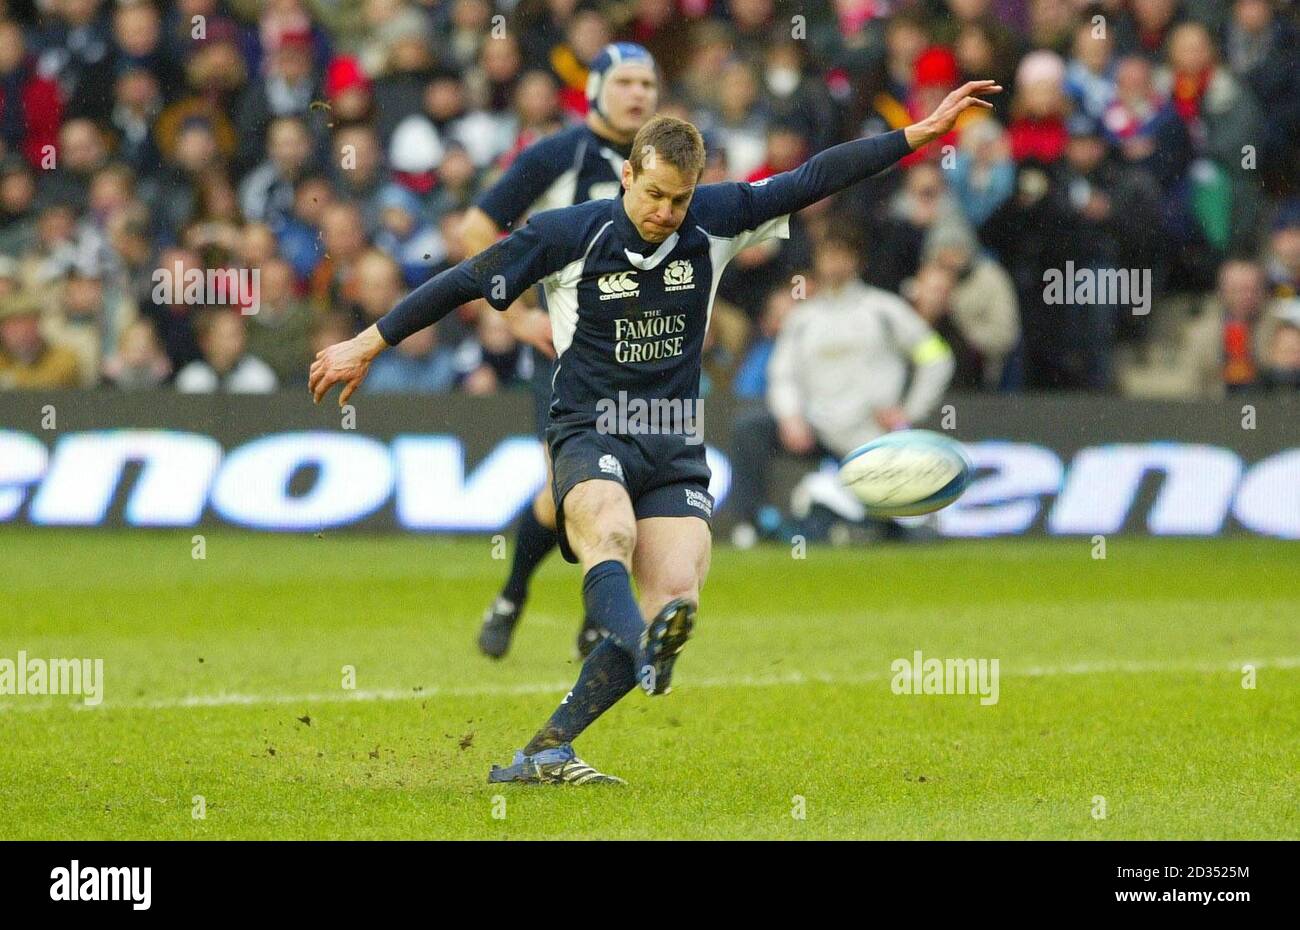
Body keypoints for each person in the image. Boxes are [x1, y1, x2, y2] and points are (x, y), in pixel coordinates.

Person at [309, 81, 1001, 785]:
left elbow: (814, 176)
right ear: (628, 174)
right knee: (608, 533)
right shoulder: (566, 234)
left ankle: (548, 749)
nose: (666, 213)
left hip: (674, 439)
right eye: (655, 195)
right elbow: (463, 280)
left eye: (680, 199)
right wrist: (368, 341)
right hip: (590, 429)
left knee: (677, 594)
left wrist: (918, 134)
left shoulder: (719, 217)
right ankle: (640, 652)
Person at [459, 42, 661, 661]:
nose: (638, 95)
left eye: (648, 85)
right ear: (595, 88)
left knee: (628, 486)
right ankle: (515, 595)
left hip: (648, 355)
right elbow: (475, 228)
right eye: (625, 82)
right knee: (564, 492)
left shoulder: (666, 157)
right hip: (568, 356)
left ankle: (595, 619)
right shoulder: (556, 154)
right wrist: (517, 318)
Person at [728, 233, 955, 544]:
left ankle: (874, 518)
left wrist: (909, 410)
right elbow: (783, 375)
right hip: (818, 430)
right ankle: (751, 526)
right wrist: (791, 416)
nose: (834, 264)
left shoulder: (884, 309)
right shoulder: (802, 318)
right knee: (749, 427)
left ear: (856, 260)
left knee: (904, 535)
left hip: (873, 437)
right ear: (817, 261)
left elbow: (936, 356)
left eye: (841, 255)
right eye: (827, 255)